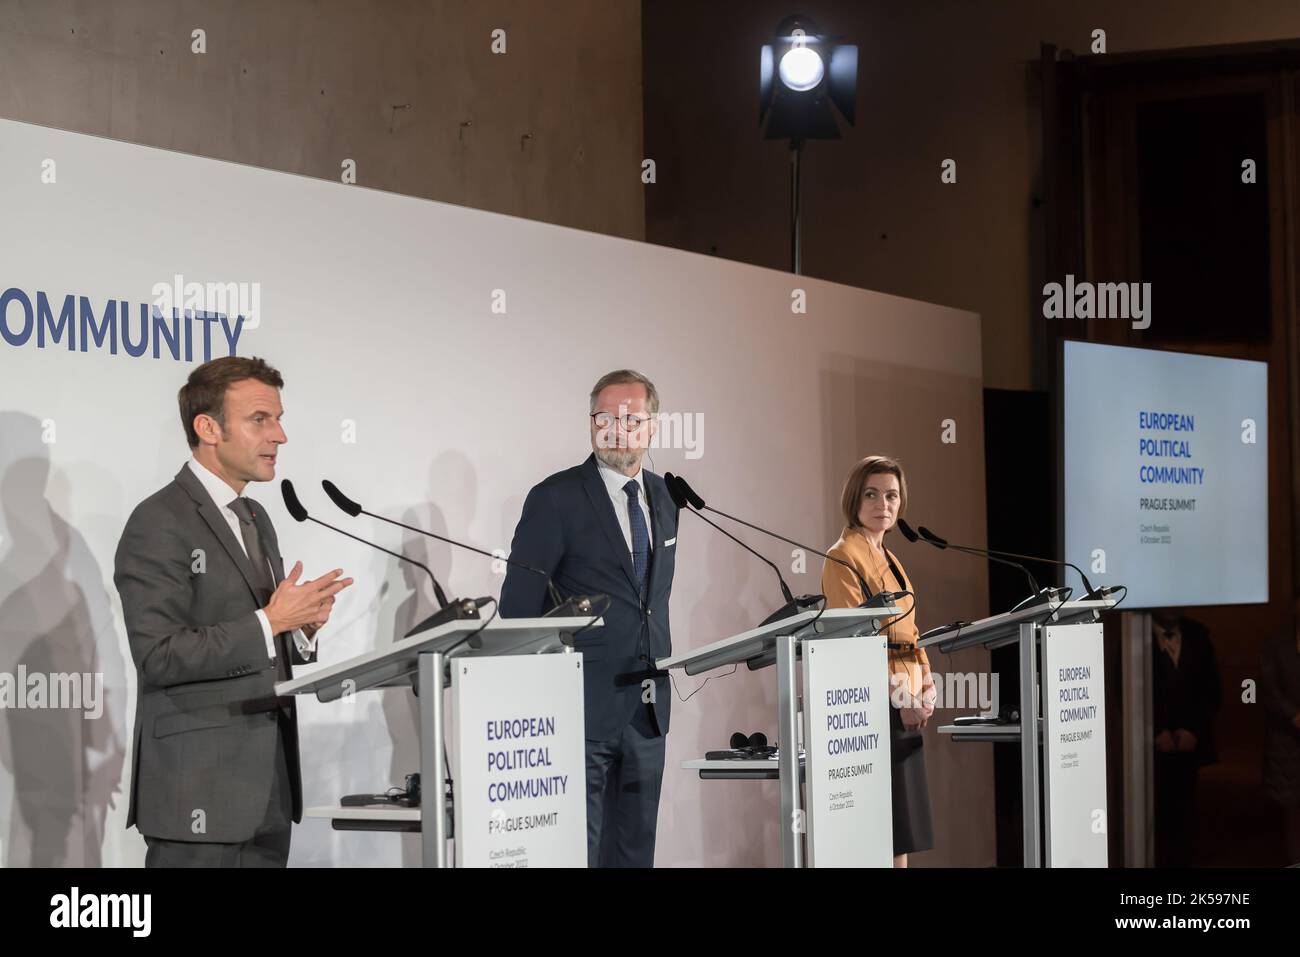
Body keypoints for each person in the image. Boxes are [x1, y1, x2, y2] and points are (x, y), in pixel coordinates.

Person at [114, 356, 353, 867]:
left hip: (268, 789)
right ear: (208, 429)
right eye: (261, 419)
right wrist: (271, 622)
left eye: (279, 418)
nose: (280, 436)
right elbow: (159, 655)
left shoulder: (254, 515)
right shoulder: (158, 521)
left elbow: (261, 639)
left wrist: (301, 628)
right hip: (196, 793)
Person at [500, 369, 678, 867]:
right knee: (580, 852)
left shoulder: (667, 498)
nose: (618, 427)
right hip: (580, 707)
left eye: (632, 417)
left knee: (635, 852)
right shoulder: (555, 498)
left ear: (653, 426)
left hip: (647, 709)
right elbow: (518, 609)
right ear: (590, 423)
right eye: (606, 417)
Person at [821, 455, 934, 867]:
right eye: (872, 494)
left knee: (898, 832)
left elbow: (912, 633)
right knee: (877, 831)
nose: (882, 504)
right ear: (854, 499)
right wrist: (902, 696)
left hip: (905, 701)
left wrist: (927, 685)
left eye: (891, 495)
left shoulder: (892, 558)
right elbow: (856, 639)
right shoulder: (843, 555)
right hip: (873, 704)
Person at [1150, 609, 1220, 867]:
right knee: (1157, 809)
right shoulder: (1134, 633)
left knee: (1186, 806)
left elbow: (1212, 689)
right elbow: (1126, 691)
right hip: (1151, 745)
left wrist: (1193, 729)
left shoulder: (1198, 635)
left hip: (1189, 741)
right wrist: (1155, 731)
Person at [1261, 600, 1300, 865]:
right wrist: (1294, 715)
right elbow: (1265, 686)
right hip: (1287, 740)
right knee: (1292, 811)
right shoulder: (1275, 642)